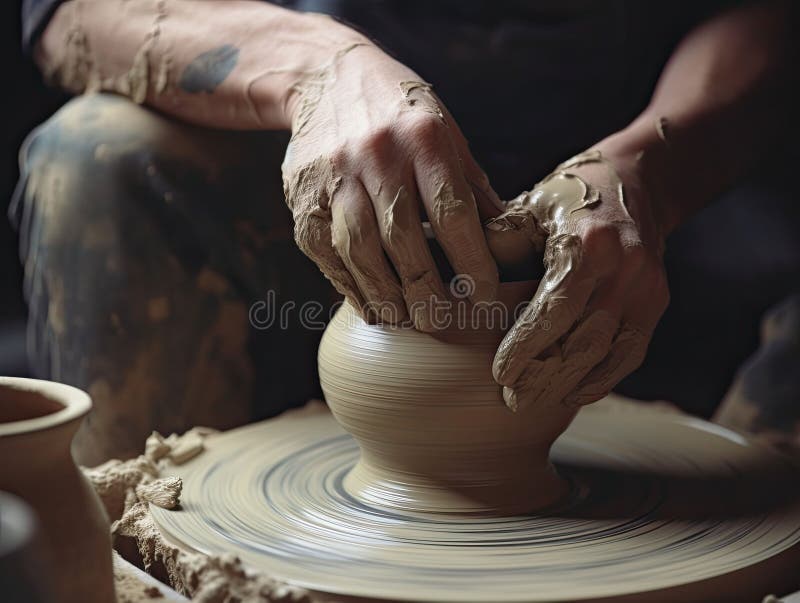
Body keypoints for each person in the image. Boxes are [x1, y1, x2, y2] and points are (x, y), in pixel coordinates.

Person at [11, 0, 799, 465]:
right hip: (323, 189)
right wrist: (318, 70)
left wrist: (654, 171)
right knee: (97, 156)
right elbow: (66, 14)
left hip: (667, 204)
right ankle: (148, 539)